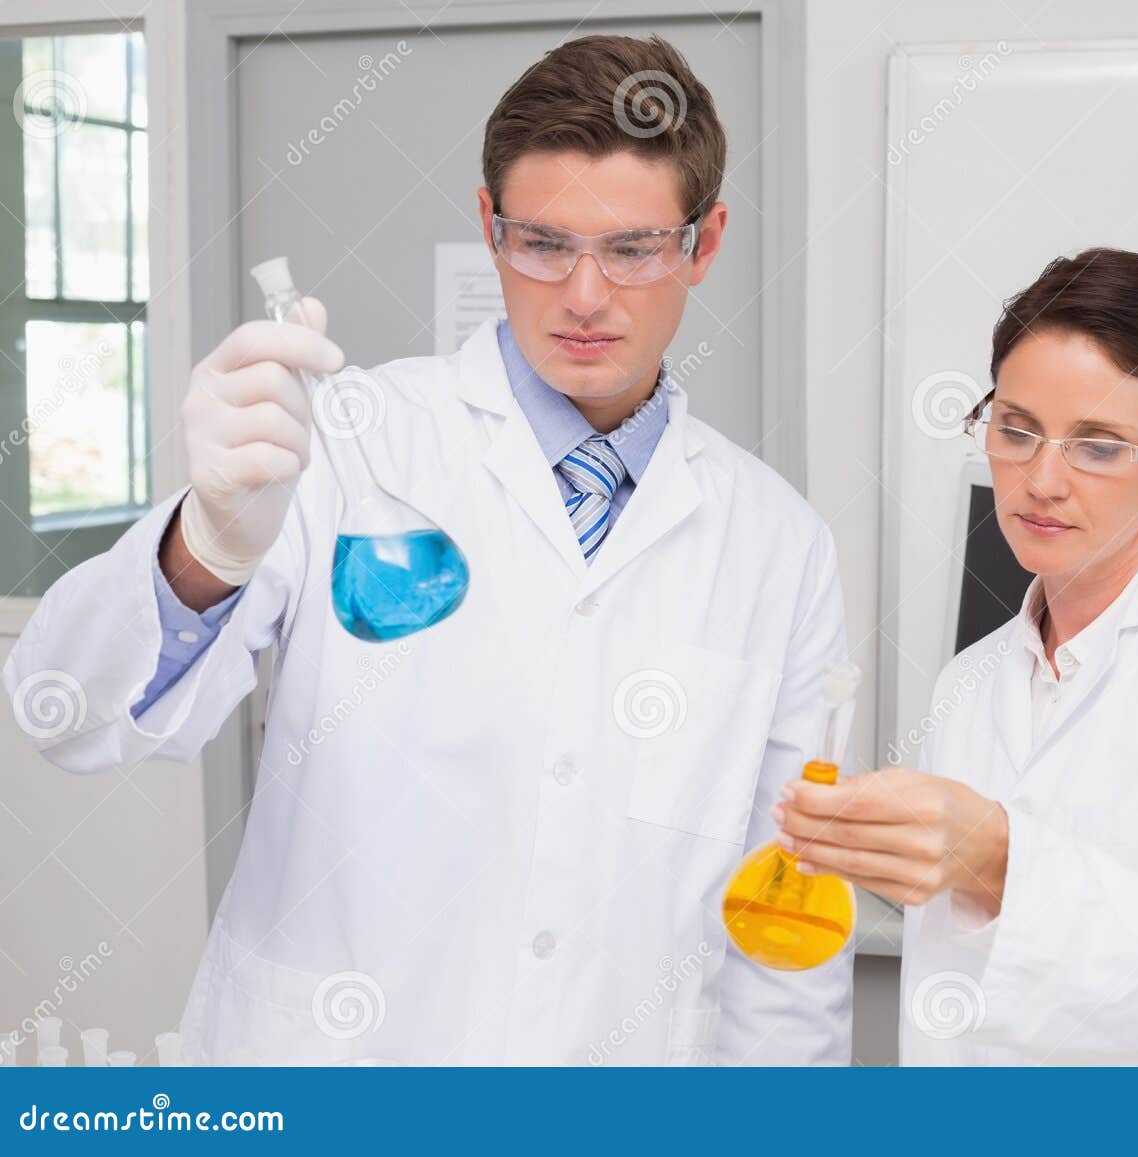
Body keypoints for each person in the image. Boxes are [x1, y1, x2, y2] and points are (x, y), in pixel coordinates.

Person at [3, 35, 851, 1065]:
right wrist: (208, 545)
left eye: (632, 249)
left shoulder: (777, 543)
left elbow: (788, 906)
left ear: (703, 243)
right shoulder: (346, 443)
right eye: (543, 243)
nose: (585, 296)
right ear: (490, 227)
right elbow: (70, 713)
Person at [775, 249, 1138, 1064]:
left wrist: (1002, 859)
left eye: (1099, 445)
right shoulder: (968, 684)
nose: (1040, 479)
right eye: (1016, 430)